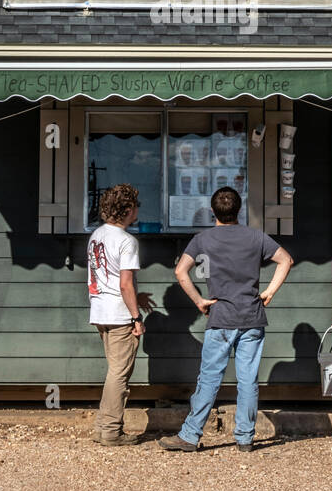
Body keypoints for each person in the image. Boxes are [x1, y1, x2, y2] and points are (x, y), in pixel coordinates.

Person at [160, 187, 294, 452]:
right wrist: (269, 292)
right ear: (239, 210)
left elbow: (180, 271)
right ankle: (244, 438)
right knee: (248, 380)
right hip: (252, 318)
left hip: (220, 319)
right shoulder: (256, 236)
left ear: (213, 212)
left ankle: (190, 435)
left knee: (209, 378)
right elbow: (286, 260)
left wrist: (199, 301)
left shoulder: (202, 239)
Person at [87, 183, 147, 445]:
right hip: (120, 314)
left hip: (100, 310)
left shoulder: (96, 235)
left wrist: (137, 298)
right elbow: (124, 283)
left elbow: (105, 277)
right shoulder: (127, 241)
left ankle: (103, 428)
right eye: (135, 206)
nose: (137, 211)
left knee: (114, 371)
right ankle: (111, 431)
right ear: (127, 209)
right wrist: (136, 317)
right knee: (119, 374)